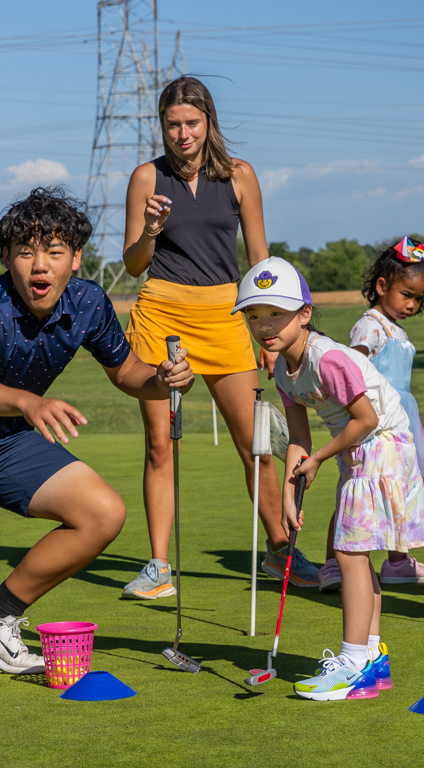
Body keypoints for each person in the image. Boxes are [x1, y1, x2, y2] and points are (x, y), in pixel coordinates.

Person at [0, 187, 193, 691]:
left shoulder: (89, 302)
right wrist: (28, 402)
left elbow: (128, 371)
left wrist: (163, 378)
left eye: (54, 251)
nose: (39, 266)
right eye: (25, 252)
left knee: (103, 513)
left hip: (2, 434)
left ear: (76, 258)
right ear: (7, 258)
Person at [119, 75, 319, 601]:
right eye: (172, 125)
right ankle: (159, 567)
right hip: (162, 316)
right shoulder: (146, 178)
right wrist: (151, 230)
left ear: (209, 123)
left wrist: (270, 328)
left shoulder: (240, 176)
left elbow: (261, 263)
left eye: (191, 123)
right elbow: (134, 263)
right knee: (160, 445)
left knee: (256, 446)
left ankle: (281, 549)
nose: (182, 134)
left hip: (227, 315)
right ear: (161, 127)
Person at [240, 256, 424, 700]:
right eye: (254, 316)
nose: (264, 326)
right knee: (356, 553)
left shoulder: (327, 360)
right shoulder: (285, 373)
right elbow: (298, 438)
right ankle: (371, 659)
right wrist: (290, 493)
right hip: (359, 450)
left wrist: (321, 459)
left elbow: (364, 418)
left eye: (276, 314)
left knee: (348, 551)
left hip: (381, 443)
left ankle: (353, 663)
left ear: (304, 314)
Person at [315, 236, 424, 592]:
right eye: (407, 295)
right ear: (382, 286)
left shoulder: (396, 329)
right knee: (355, 489)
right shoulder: (369, 325)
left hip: (400, 419)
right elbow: (352, 366)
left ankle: (397, 562)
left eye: (419, 298)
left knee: (395, 489)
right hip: (374, 422)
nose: (413, 304)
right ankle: (334, 565)